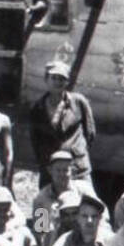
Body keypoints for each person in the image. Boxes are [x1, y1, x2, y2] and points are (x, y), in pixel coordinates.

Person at [28, 60, 96, 188]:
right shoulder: (37, 108)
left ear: (67, 82)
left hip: (77, 169)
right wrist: (46, 162)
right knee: (43, 206)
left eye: (62, 79)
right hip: (51, 170)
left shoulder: (78, 102)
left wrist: (77, 152)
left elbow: (90, 133)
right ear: (46, 79)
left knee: (87, 203)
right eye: (54, 78)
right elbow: (35, 141)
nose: (57, 82)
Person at [31, 150, 92, 246]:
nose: (62, 174)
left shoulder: (84, 191)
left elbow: (102, 216)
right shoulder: (41, 199)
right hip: (54, 245)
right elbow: (40, 232)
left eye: (66, 170)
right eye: (58, 170)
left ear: (71, 171)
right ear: (50, 170)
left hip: (85, 242)